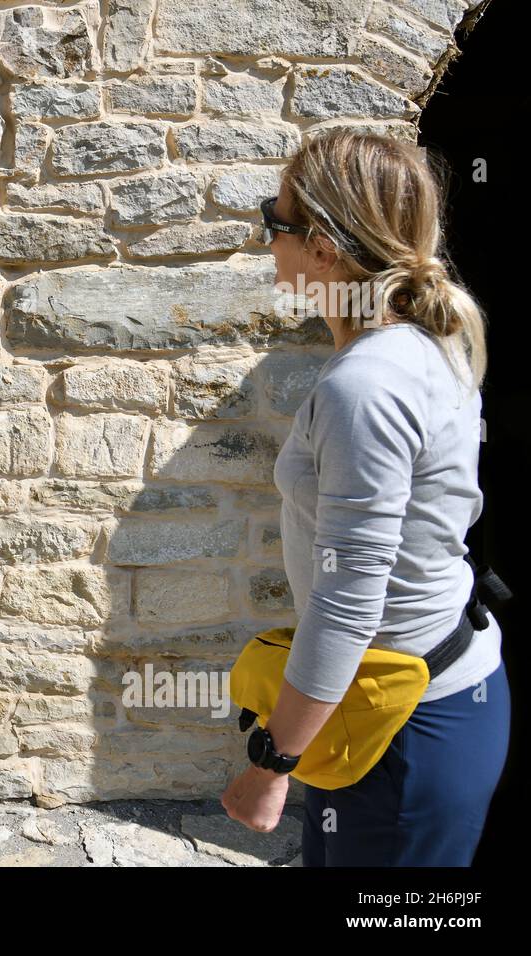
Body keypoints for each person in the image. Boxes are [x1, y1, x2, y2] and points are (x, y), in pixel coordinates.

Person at [221, 129, 510, 866]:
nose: (268, 242)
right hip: (400, 710)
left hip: (405, 734)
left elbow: (351, 600)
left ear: (321, 247)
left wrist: (271, 766)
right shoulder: (418, 344)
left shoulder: (367, 384)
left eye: (273, 221)